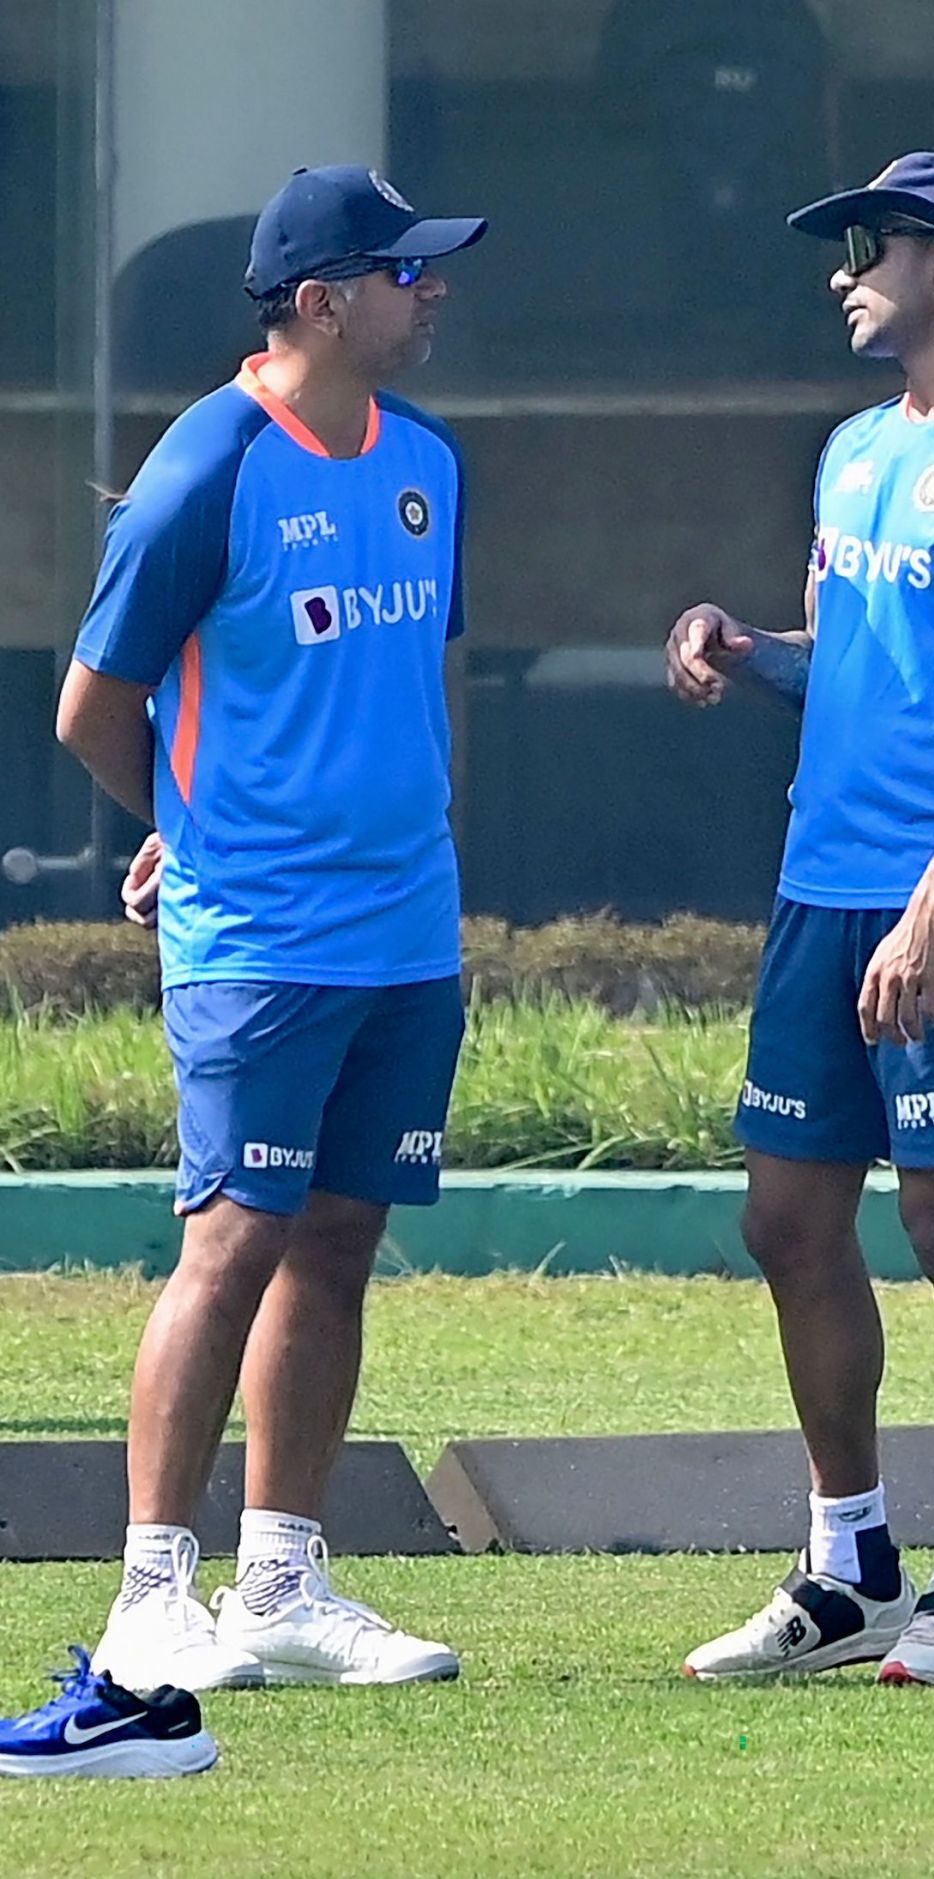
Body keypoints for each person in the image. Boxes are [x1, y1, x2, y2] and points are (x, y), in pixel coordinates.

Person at [665, 152, 934, 1687]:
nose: (843, 271)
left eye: (866, 246)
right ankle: (846, 1562)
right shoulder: (855, 445)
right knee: (785, 1220)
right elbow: (854, 653)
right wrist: (746, 645)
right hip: (820, 892)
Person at [56, 164, 487, 1692]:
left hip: (404, 933)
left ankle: (282, 1583)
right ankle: (149, 1593)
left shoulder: (428, 459)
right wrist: (184, 833)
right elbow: (92, 705)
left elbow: (425, 675)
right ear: (320, 302)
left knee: (340, 1240)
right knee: (232, 1238)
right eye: (405, 272)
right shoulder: (207, 467)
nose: (431, 291)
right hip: (258, 938)